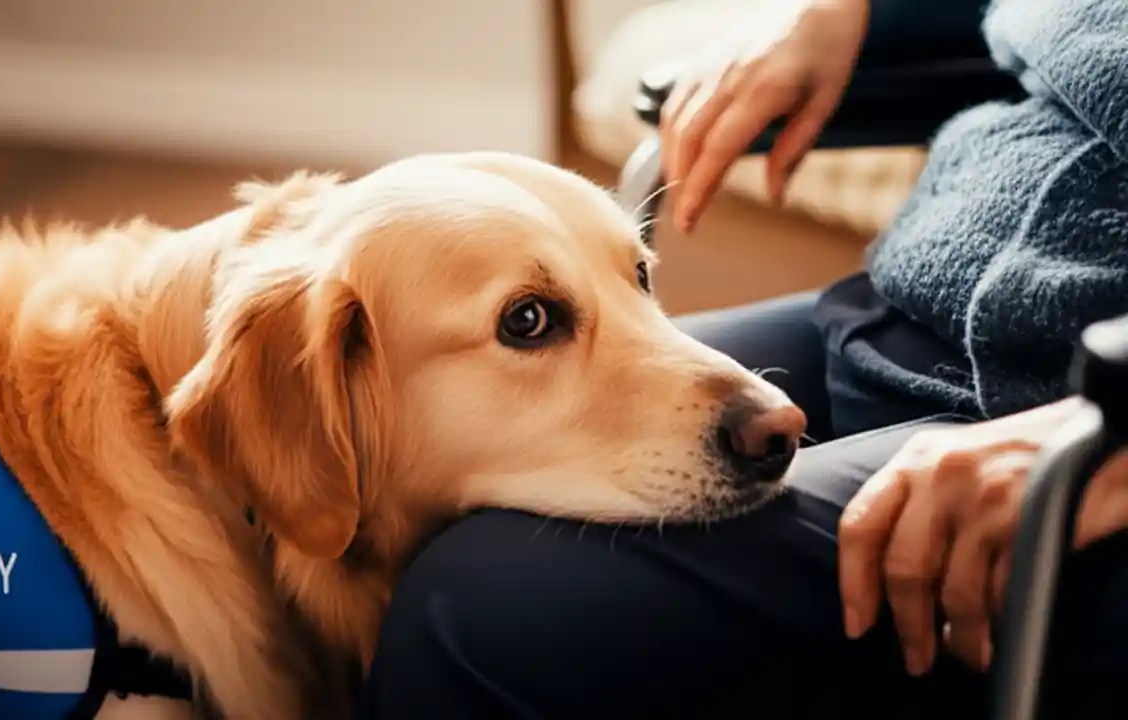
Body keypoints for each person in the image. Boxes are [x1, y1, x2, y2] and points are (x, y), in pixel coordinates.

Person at [359, 0, 1128, 716]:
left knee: (479, 612)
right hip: (909, 308)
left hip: (1083, 403)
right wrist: (854, 13)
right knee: (407, 471)